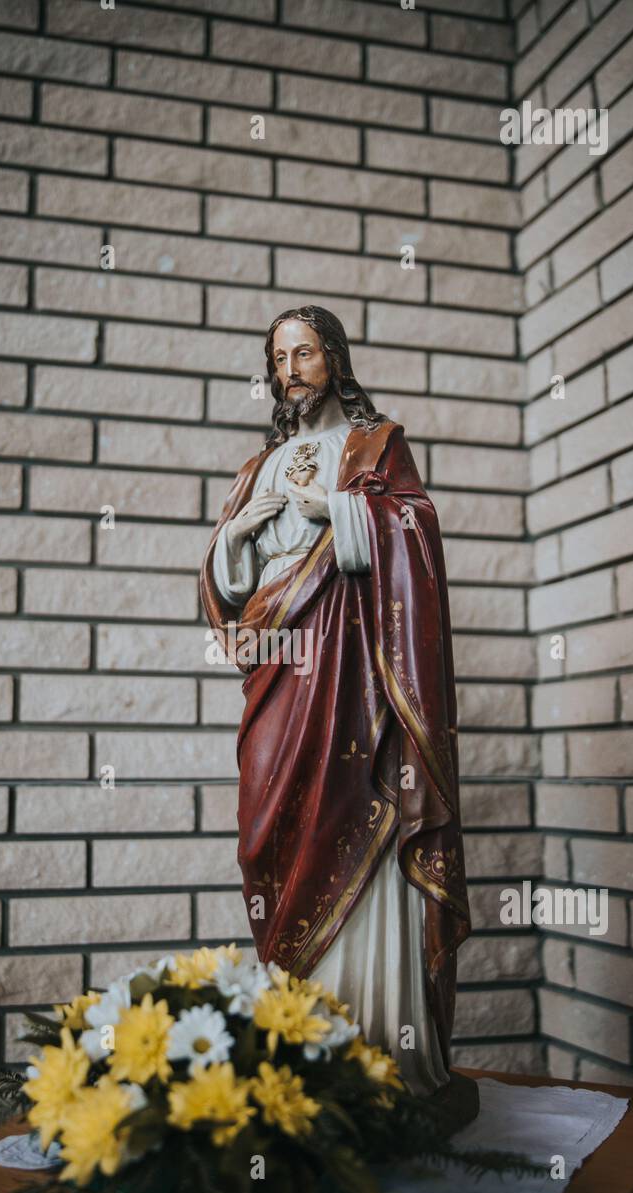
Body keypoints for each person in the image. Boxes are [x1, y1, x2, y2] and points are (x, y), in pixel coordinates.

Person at [200, 305, 471, 1098]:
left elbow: (418, 532)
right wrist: (237, 538)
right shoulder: (258, 466)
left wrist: (345, 513)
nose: (292, 368)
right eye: (280, 356)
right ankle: (299, 1051)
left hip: (359, 685)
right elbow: (225, 590)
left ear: (335, 360)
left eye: (306, 353)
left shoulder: (374, 443)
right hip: (281, 671)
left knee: (357, 809)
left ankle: (383, 1047)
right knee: (273, 819)